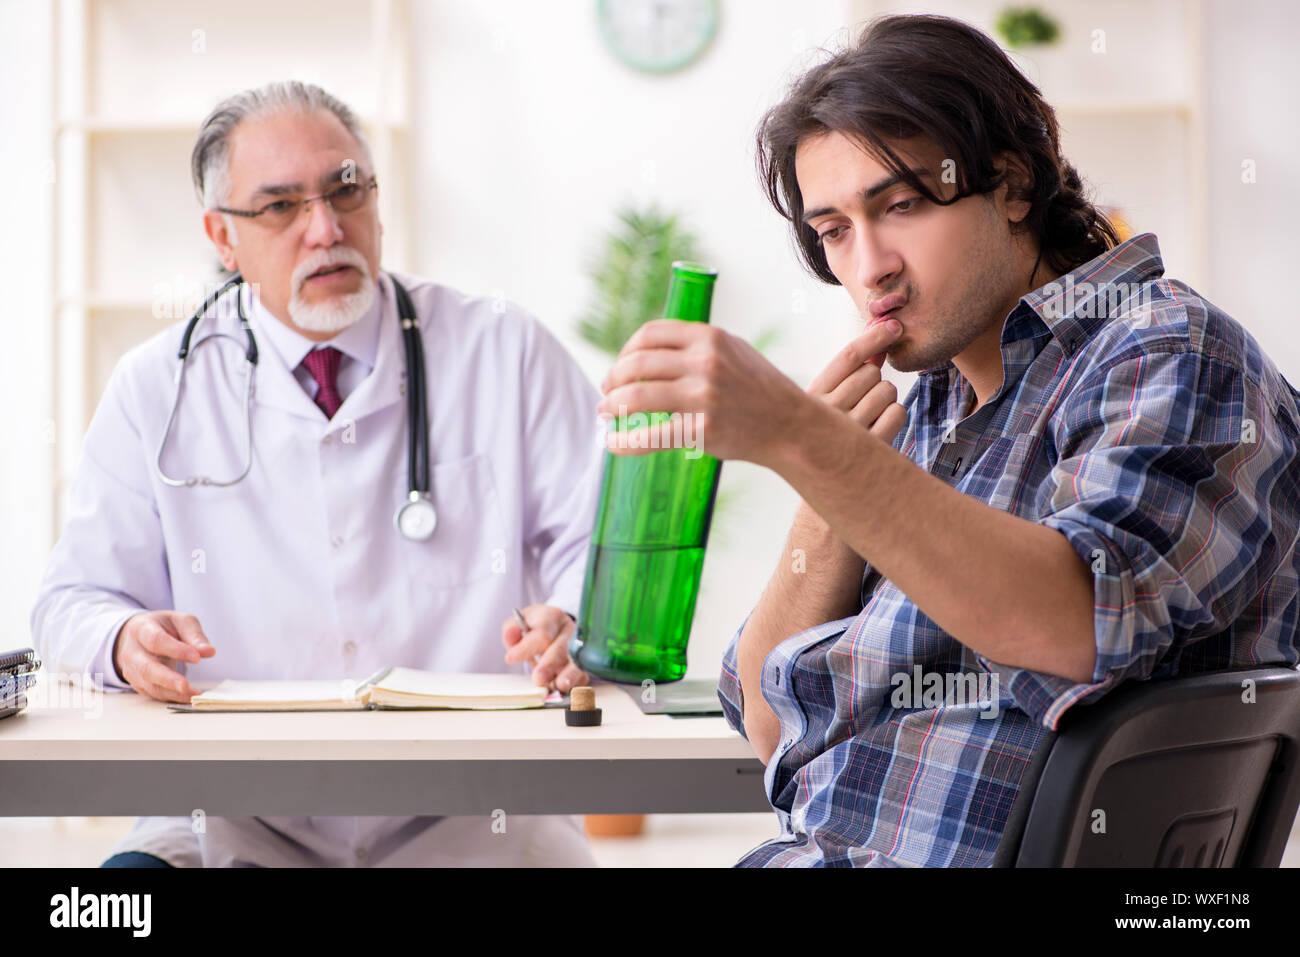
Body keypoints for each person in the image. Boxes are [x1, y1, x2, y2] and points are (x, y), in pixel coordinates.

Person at [597, 14, 1300, 866]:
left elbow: (1079, 621)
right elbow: (767, 718)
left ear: (1011, 183)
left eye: (898, 206)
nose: (868, 267)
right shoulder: (923, 404)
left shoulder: (1167, 350)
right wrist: (824, 502)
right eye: (833, 231)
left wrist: (803, 439)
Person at [30, 81, 603, 867]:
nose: (326, 228)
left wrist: (573, 617)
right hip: (232, 816)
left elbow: (598, 540)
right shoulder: (157, 385)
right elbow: (69, 602)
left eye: (346, 190)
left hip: (477, 818)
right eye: (280, 207)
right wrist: (122, 637)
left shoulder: (501, 350)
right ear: (221, 238)